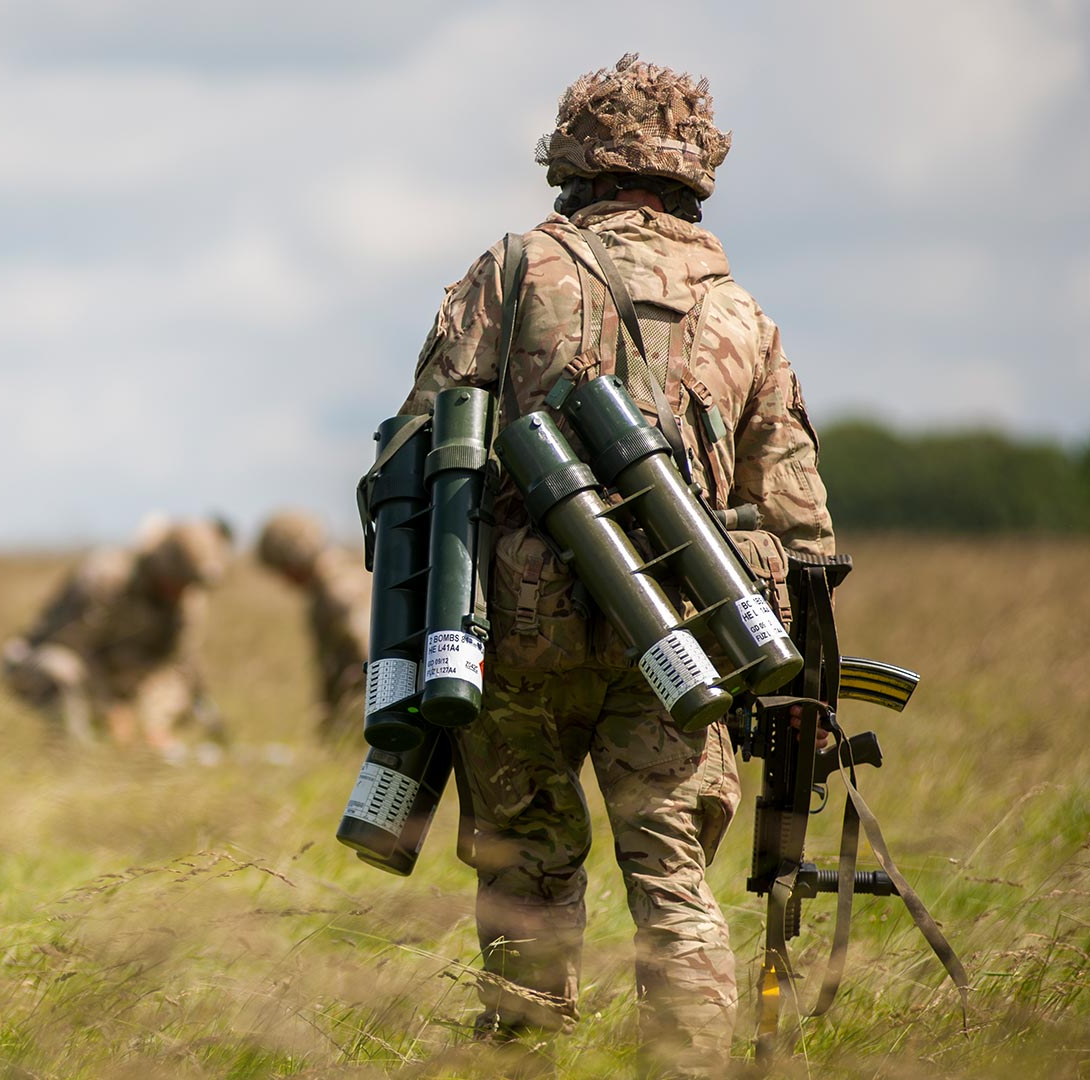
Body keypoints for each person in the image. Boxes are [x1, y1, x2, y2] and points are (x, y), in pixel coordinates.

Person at [397, 55, 832, 1075]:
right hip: (689, 630)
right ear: (694, 172)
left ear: (575, 163)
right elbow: (800, 524)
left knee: (526, 874)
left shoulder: (513, 271)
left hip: (520, 625)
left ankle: (520, 1062)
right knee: (673, 882)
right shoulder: (743, 314)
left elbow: (423, 446)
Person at [0, 517, 231, 762]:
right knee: (63, 671)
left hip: (121, 679)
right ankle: (76, 761)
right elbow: (73, 647)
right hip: (47, 663)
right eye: (178, 581)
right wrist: (112, 709)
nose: (181, 591)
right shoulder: (107, 577)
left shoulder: (186, 601)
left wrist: (153, 724)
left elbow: (176, 665)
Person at [253, 510, 370, 741]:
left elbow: (367, 652)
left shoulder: (339, 591)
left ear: (293, 561)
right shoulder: (332, 584)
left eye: (282, 569)